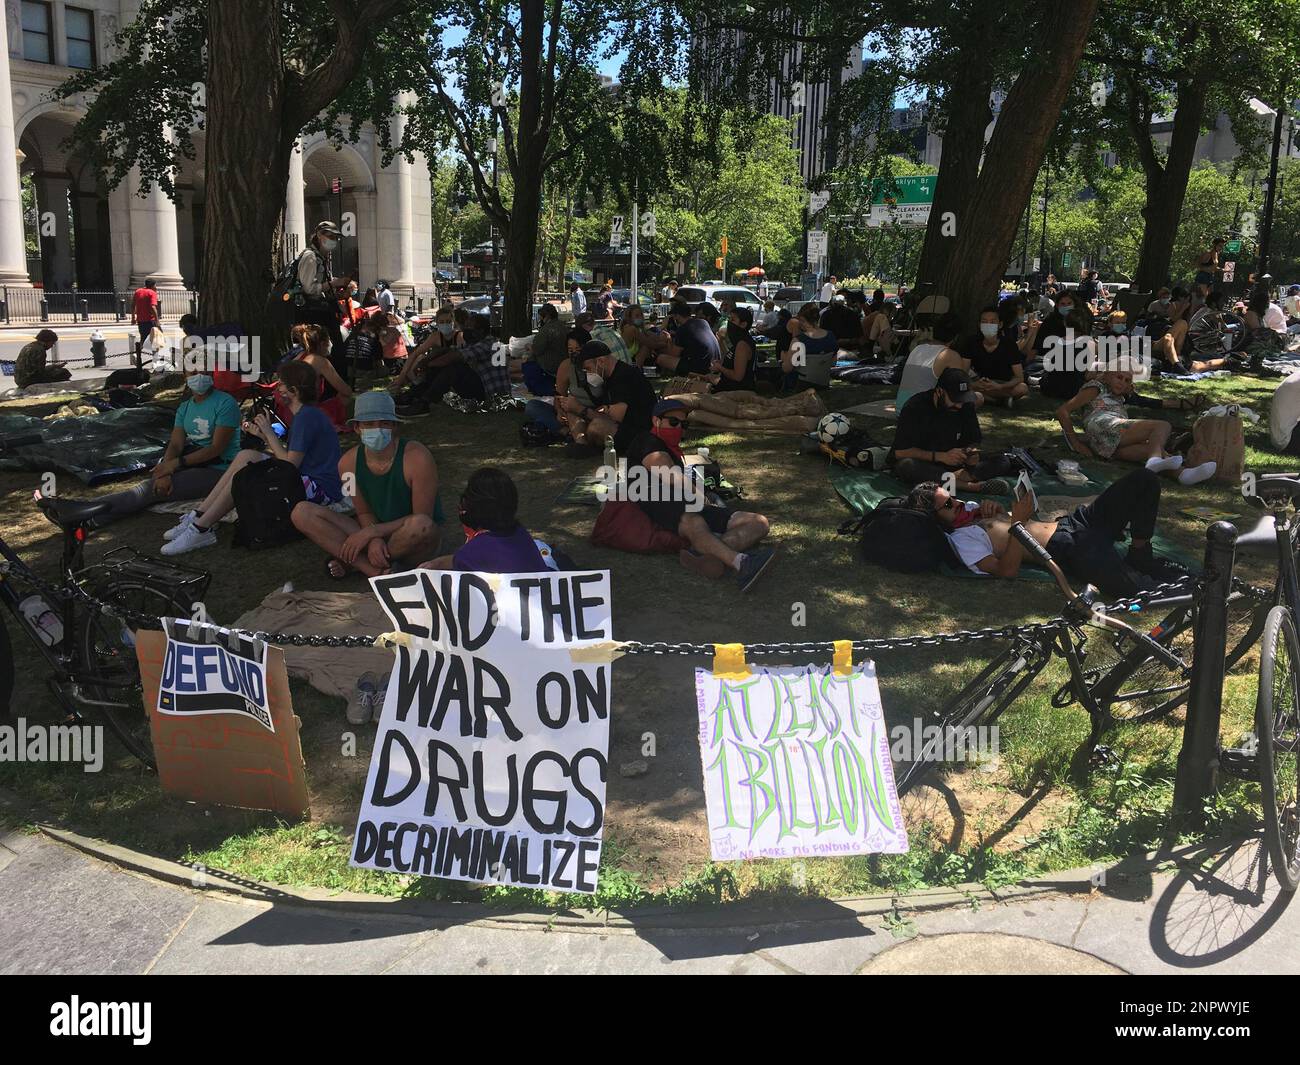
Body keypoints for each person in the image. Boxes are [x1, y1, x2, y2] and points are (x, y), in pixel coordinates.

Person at [161, 361, 343, 555]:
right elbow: (292, 459)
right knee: (246, 455)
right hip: (310, 479)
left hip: (321, 488)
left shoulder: (306, 418)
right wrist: (264, 436)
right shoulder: (307, 415)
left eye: (280, 384)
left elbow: (289, 465)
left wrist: (269, 433)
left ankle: (201, 528)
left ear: (293, 391)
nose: (277, 388)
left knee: (248, 475)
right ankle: (199, 515)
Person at [912, 468, 1176, 597]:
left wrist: (1000, 511)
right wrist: (1018, 522)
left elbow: (1004, 525)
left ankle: (1140, 552)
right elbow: (1006, 571)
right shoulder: (961, 540)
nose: (957, 503)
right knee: (1149, 591)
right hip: (1067, 548)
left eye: (953, 497)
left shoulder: (970, 510)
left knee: (1144, 480)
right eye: (947, 504)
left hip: (1075, 523)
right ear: (935, 517)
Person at [626, 399, 776, 591]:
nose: (679, 428)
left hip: (688, 503)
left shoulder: (673, 451)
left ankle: (703, 555)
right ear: (656, 421)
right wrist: (695, 489)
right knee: (693, 521)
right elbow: (664, 470)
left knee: (758, 523)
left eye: (684, 424)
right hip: (657, 499)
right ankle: (742, 563)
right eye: (673, 422)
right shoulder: (646, 440)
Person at [292, 390, 442, 578]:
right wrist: (373, 538)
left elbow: (422, 516)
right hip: (372, 527)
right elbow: (363, 512)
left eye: (384, 423)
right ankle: (371, 569)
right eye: (369, 424)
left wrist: (371, 534)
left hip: (408, 533)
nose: (377, 429)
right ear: (356, 428)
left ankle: (354, 562)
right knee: (302, 512)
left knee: (421, 525)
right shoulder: (346, 463)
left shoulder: (418, 457)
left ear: (394, 426)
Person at [87, 368, 242, 523]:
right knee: (155, 487)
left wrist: (174, 464)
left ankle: (87, 510)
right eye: (193, 373)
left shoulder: (226, 403)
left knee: (149, 490)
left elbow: (216, 449)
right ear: (185, 376)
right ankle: (93, 517)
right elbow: (175, 444)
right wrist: (165, 471)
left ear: (211, 375)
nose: (199, 377)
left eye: (204, 373)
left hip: (221, 470)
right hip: (193, 463)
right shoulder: (186, 407)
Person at [1056, 368, 1215, 483]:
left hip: (1107, 446)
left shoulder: (1119, 396)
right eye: (1119, 377)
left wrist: (1127, 392)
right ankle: (1154, 462)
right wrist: (1075, 443)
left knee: (1151, 447)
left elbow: (1138, 398)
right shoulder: (1097, 387)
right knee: (1162, 426)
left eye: (1127, 380)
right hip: (1103, 425)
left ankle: (1183, 475)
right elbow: (1063, 410)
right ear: (1108, 375)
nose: (1122, 382)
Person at [889, 369, 1011, 491]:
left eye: (962, 400)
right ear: (939, 391)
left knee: (1002, 460)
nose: (959, 406)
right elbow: (900, 452)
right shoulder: (915, 408)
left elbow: (973, 440)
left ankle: (956, 479)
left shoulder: (965, 405)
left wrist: (970, 454)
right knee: (906, 466)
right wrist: (941, 456)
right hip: (927, 462)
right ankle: (970, 486)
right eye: (954, 400)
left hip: (956, 465)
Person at [422, 467, 548, 573]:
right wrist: (438, 563)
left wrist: (435, 565)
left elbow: (466, 559)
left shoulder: (469, 554)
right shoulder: (521, 534)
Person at [395, 313, 509, 415]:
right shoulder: (477, 342)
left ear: (481, 331)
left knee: (454, 368)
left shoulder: (490, 344)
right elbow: (448, 350)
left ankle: (423, 403)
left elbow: (454, 357)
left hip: (491, 394)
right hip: (482, 387)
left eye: (470, 328)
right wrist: (425, 360)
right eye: (465, 327)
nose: (466, 331)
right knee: (443, 363)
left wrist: (428, 365)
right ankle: (413, 395)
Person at [568, 339, 655, 451]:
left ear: (601, 361)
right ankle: (581, 445)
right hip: (622, 427)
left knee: (596, 426)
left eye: (588, 369)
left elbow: (615, 419)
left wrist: (581, 409)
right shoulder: (609, 377)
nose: (588, 374)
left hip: (637, 432)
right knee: (573, 413)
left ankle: (586, 445)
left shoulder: (623, 377)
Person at [293, 221, 351, 356]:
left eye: (336, 238)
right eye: (331, 236)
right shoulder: (310, 257)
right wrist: (335, 283)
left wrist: (338, 295)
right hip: (313, 313)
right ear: (319, 235)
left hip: (321, 311)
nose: (334, 240)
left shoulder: (321, 258)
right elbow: (309, 289)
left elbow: (321, 290)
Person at [286, 323, 352, 428]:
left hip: (287, 413)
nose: (330, 343)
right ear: (322, 344)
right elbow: (346, 390)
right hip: (305, 415)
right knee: (346, 397)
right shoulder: (320, 361)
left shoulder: (299, 357)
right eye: (329, 340)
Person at [960, 305, 1029, 406]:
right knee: (961, 385)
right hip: (978, 382)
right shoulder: (971, 342)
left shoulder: (1009, 344)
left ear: (1000, 324)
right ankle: (998, 400)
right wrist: (974, 384)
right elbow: (963, 372)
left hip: (1002, 383)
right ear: (979, 324)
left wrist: (999, 387)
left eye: (992, 322)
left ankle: (986, 397)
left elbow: (1019, 377)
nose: (988, 325)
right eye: (984, 321)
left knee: (1022, 388)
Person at [782, 300, 837, 391]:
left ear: (803, 320)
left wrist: (784, 359)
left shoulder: (799, 341)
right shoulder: (831, 336)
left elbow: (787, 368)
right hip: (823, 383)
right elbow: (833, 362)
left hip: (803, 385)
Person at [657, 300, 719, 375]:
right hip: (714, 364)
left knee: (661, 358)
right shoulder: (703, 322)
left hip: (702, 368)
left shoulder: (683, 329)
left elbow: (673, 354)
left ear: (677, 316)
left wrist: (668, 338)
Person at [524, 302, 568, 394]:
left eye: (541, 316)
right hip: (562, 362)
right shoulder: (563, 327)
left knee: (522, 363)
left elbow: (536, 350)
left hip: (550, 366)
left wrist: (528, 346)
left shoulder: (546, 330)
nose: (540, 319)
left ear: (546, 316)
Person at [712, 306, 757, 392]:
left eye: (733, 320)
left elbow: (737, 376)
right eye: (729, 319)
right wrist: (720, 342)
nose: (729, 323)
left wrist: (720, 368)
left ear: (743, 324)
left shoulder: (742, 344)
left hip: (736, 393)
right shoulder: (738, 342)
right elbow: (732, 359)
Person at [820, 290, 865, 354]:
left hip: (831, 350)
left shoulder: (826, 314)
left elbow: (822, 335)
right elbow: (860, 338)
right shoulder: (853, 314)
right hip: (850, 350)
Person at [132, 279, 162, 364]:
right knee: (155, 341)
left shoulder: (138, 291)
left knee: (143, 338)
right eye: (155, 285)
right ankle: (155, 361)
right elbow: (153, 307)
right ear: (153, 285)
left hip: (141, 320)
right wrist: (157, 320)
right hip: (150, 320)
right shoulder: (152, 293)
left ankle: (137, 354)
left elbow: (133, 305)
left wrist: (133, 317)